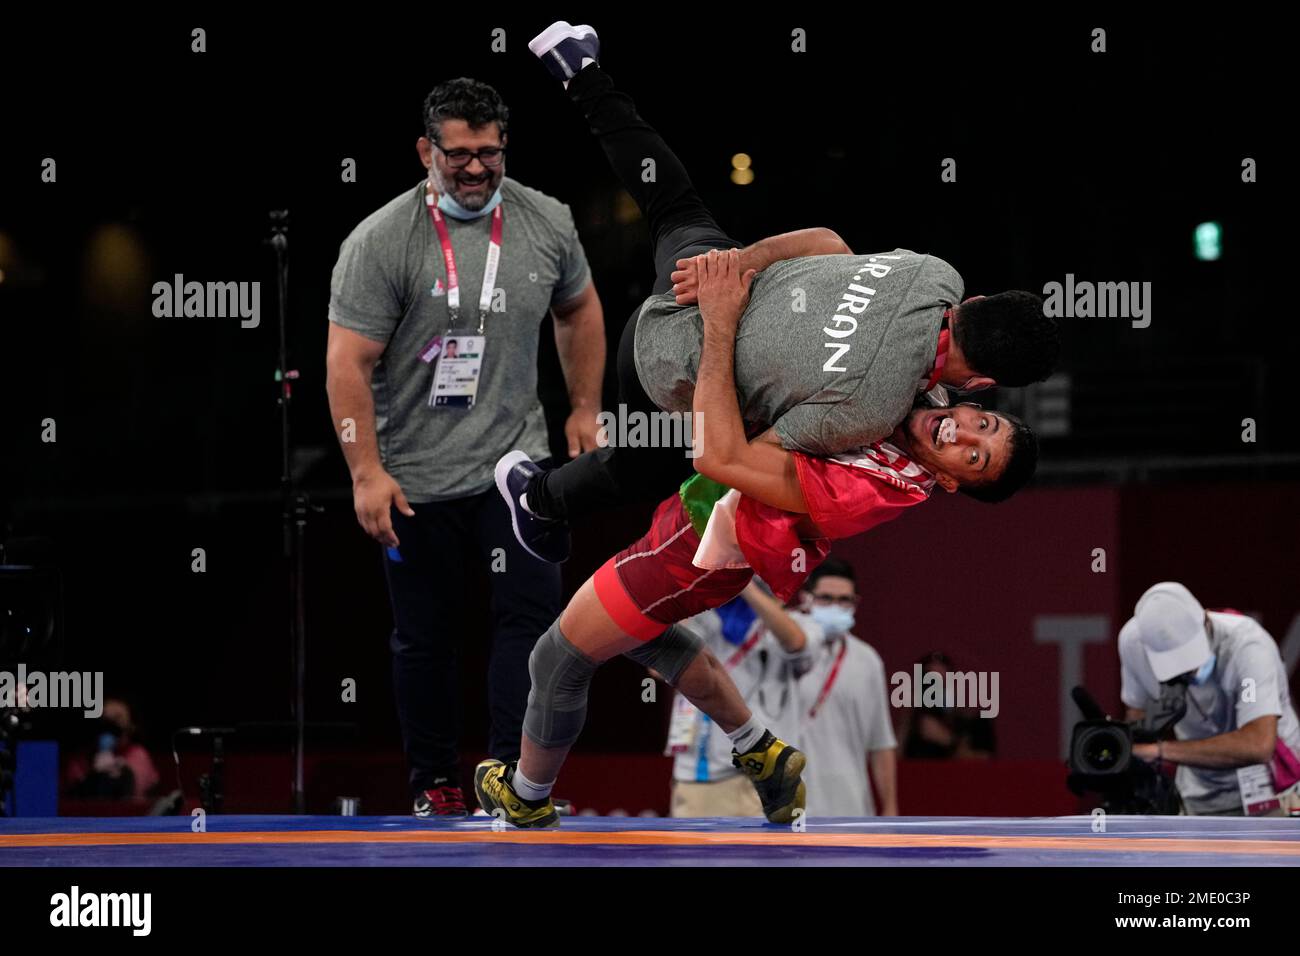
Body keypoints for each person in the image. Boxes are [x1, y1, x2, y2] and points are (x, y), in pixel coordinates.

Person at [473, 241, 1040, 828]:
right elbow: (832, 246)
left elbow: (718, 457)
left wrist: (721, 320)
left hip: (687, 553)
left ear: (949, 482)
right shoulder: (929, 399)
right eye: (984, 424)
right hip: (707, 541)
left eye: (974, 458)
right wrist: (752, 263)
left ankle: (527, 796)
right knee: (642, 636)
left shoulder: (866, 488)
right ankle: (760, 748)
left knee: (558, 659)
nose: (962, 433)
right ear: (980, 397)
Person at [495, 22, 1059, 564]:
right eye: (982, 424)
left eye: (976, 443)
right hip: (660, 361)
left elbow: (830, 242)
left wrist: (735, 266)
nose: (967, 427)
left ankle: (581, 71)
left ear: (976, 303)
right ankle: (537, 496)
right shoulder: (868, 414)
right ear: (982, 384)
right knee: (647, 471)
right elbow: (735, 455)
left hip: (703, 273)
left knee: (673, 201)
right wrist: (724, 324)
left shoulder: (936, 274)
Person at [326, 77, 606, 816]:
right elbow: (346, 362)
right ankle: (434, 785)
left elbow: (578, 309)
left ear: (503, 146)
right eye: (459, 155)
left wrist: (583, 408)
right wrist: (364, 473)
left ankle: (516, 780)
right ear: (427, 151)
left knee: (531, 619)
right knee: (426, 636)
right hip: (413, 474)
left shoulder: (546, 220)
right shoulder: (381, 241)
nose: (476, 169)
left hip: (516, 464)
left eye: (488, 152)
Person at [1120, 582, 1300, 816]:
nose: (1189, 669)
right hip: (1197, 794)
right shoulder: (1133, 643)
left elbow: (1258, 744)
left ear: (1205, 619)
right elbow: (1137, 716)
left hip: (1273, 793)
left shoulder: (1248, 648)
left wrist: (1158, 750)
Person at [666, 582, 822, 818]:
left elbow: (797, 644)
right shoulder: (704, 621)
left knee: (776, 854)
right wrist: (695, 594)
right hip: (705, 778)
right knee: (698, 856)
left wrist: (745, 586)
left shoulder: (796, 623)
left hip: (770, 779)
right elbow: (660, 667)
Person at [774, 559, 900, 817]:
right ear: (806, 599)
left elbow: (880, 743)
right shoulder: (774, 644)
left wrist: (890, 808)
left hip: (849, 805)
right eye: (825, 598)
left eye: (844, 600)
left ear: (855, 603)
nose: (835, 607)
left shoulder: (868, 661)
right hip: (781, 802)